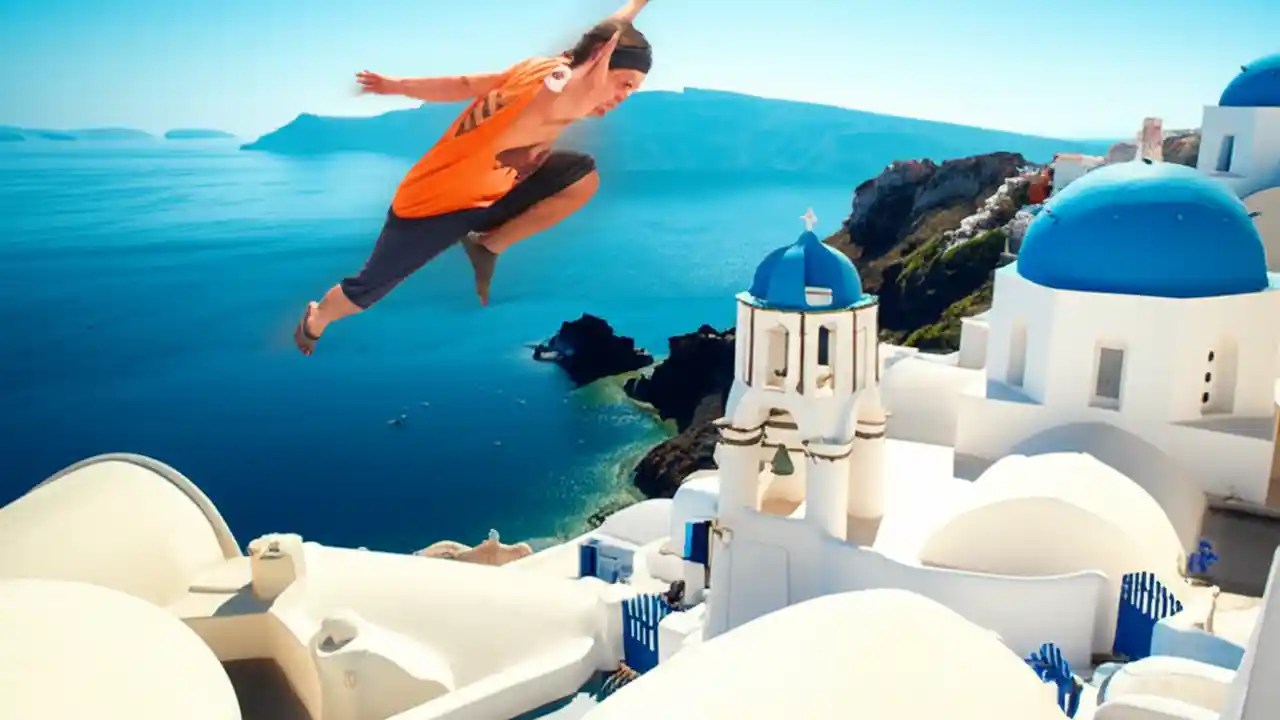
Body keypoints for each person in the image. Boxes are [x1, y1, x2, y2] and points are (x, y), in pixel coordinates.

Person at [293, 1, 654, 356]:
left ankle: (487, 244)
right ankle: (318, 318)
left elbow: (464, 84)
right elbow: (587, 63)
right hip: (432, 208)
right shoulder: (560, 98)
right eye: (624, 83)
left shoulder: (543, 67)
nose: (624, 96)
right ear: (598, 62)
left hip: (489, 193)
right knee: (365, 292)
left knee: (580, 176)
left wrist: (396, 85)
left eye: (632, 89)